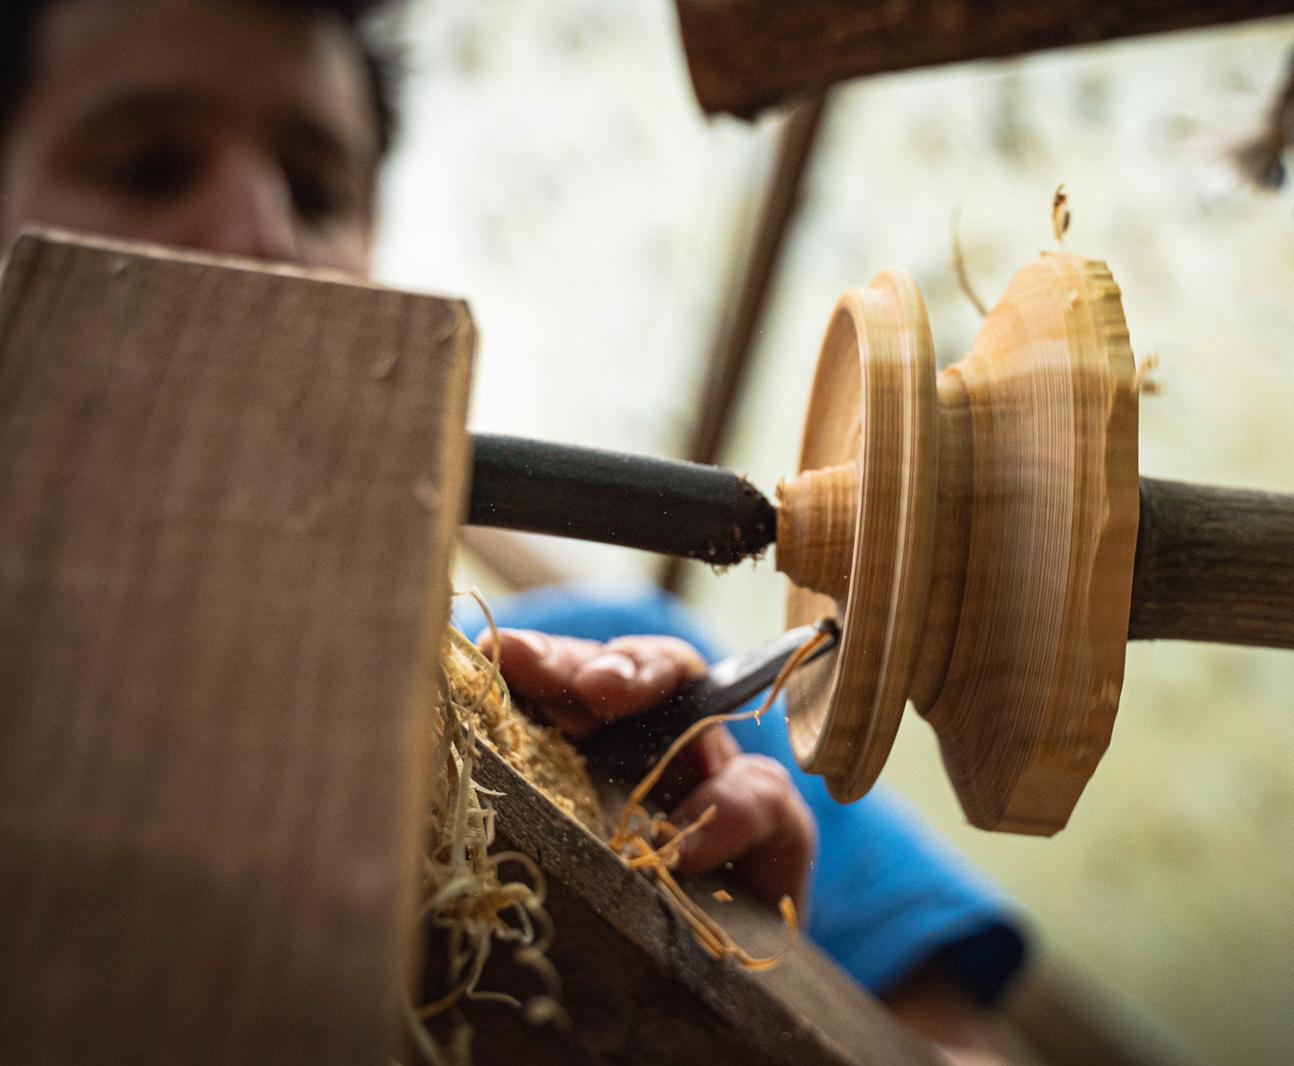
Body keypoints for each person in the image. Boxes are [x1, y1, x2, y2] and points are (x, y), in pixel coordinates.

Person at [0, 1, 1024, 1058]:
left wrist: (751, 980)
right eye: (147, 166)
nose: (261, 235)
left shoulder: (657, 711)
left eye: (318, 192)